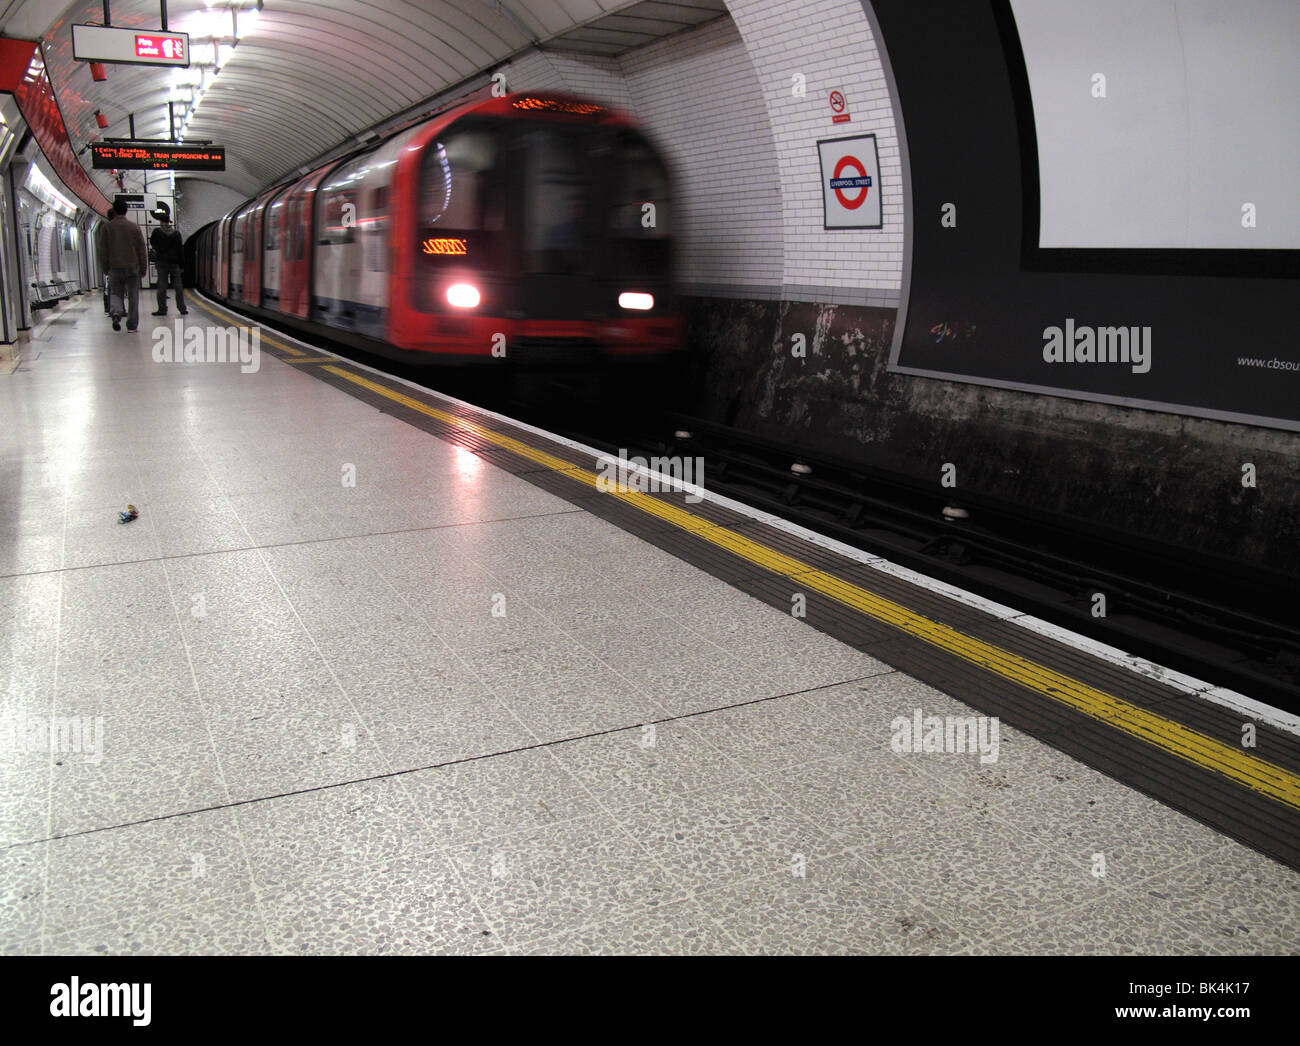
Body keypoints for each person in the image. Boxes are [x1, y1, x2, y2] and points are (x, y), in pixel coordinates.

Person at [97, 200, 147, 332]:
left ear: (114, 210)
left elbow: (103, 251)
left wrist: (105, 268)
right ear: (126, 211)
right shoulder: (134, 227)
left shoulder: (106, 228)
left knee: (116, 293)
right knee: (133, 297)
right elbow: (141, 249)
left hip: (114, 267)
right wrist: (143, 268)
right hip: (132, 268)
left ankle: (116, 313)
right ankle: (132, 325)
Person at [149, 210, 186, 315]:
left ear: (160, 221)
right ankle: (182, 308)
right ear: (168, 222)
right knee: (178, 286)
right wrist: (182, 265)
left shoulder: (157, 232)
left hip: (162, 263)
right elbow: (180, 250)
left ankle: (162, 309)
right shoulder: (176, 233)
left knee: (162, 285)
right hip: (175, 263)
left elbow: (152, 243)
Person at [93, 207, 113, 316]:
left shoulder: (105, 229)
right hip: (124, 265)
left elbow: (103, 250)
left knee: (110, 288)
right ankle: (119, 309)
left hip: (110, 265)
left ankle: (110, 308)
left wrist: (104, 266)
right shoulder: (129, 227)